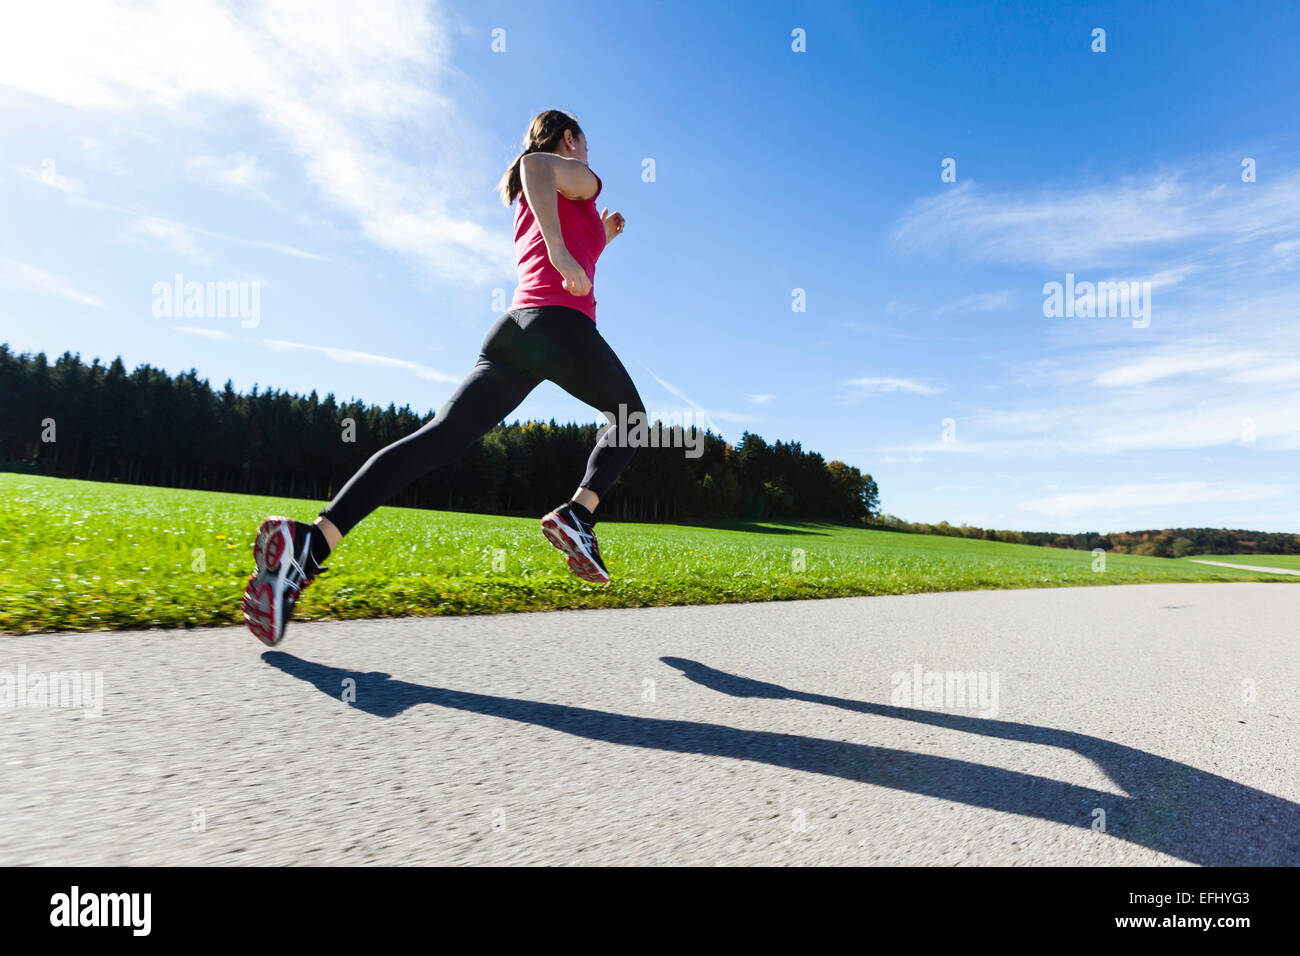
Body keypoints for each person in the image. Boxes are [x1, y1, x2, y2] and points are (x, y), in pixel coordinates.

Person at [242, 108, 646, 647]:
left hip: (516, 332)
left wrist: (603, 236)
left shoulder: (566, 205)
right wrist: (560, 251)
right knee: (631, 418)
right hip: (559, 326)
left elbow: (577, 241)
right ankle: (577, 515)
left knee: (440, 439)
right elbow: (536, 168)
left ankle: (311, 545)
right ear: (570, 139)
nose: (588, 158)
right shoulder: (571, 174)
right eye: (584, 145)